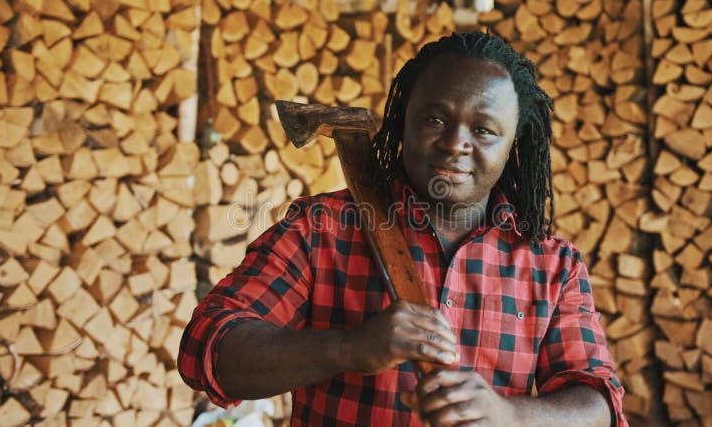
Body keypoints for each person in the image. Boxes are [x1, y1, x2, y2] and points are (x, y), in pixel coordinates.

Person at [178, 31, 627, 427]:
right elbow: (207, 346)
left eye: (485, 129)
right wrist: (349, 349)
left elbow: (598, 403)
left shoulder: (552, 265)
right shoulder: (321, 231)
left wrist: (509, 416)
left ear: (514, 146)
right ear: (404, 119)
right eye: (435, 119)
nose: (454, 143)